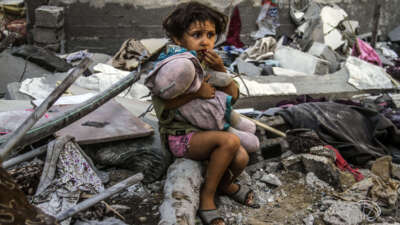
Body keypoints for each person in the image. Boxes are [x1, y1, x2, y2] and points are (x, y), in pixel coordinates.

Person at [145, 2, 259, 225]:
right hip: (182, 138)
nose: (205, 41)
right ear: (179, 40)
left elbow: (233, 96)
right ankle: (207, 196)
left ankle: (223, 185)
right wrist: (196, 93)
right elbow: (163, 106)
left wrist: (221, 70)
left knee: (243, 156)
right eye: (197, 35)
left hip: (209, 133)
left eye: (210, 34)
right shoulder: (175, 68)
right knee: (229, 141)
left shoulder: (206, 63)